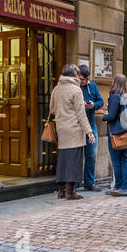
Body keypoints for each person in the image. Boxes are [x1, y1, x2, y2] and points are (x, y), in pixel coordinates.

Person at [50, 64, 96, 200]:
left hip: (61, 128)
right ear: (73, 75)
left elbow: (51, 109)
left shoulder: (56, 89)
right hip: (74, 129)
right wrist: (89, 132)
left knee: (63, 160)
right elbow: (81, 114)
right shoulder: (76, 90)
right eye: (77, 73)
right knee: (74, 161)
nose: (78, 76)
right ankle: (70, 192)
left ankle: (61, 191)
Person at [102, 74, 127, 197]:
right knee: (123, 159)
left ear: (115, 83)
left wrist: (104, 116)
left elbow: (112, 116)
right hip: (125, 131)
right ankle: (122, 187)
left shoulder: (115, 97)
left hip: (116, 133)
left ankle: (119, 187)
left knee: (116, 161)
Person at [78, 64, 104, 192]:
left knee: (91, 155)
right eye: (81, 79)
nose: (83, 81)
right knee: (76, 156)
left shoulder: (92, 86)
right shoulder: (74, 87)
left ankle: (89, 183)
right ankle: (74, 184)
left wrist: (93, 105)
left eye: (85, 79)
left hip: (91, 124)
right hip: (76, 126)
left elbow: (101, 101)